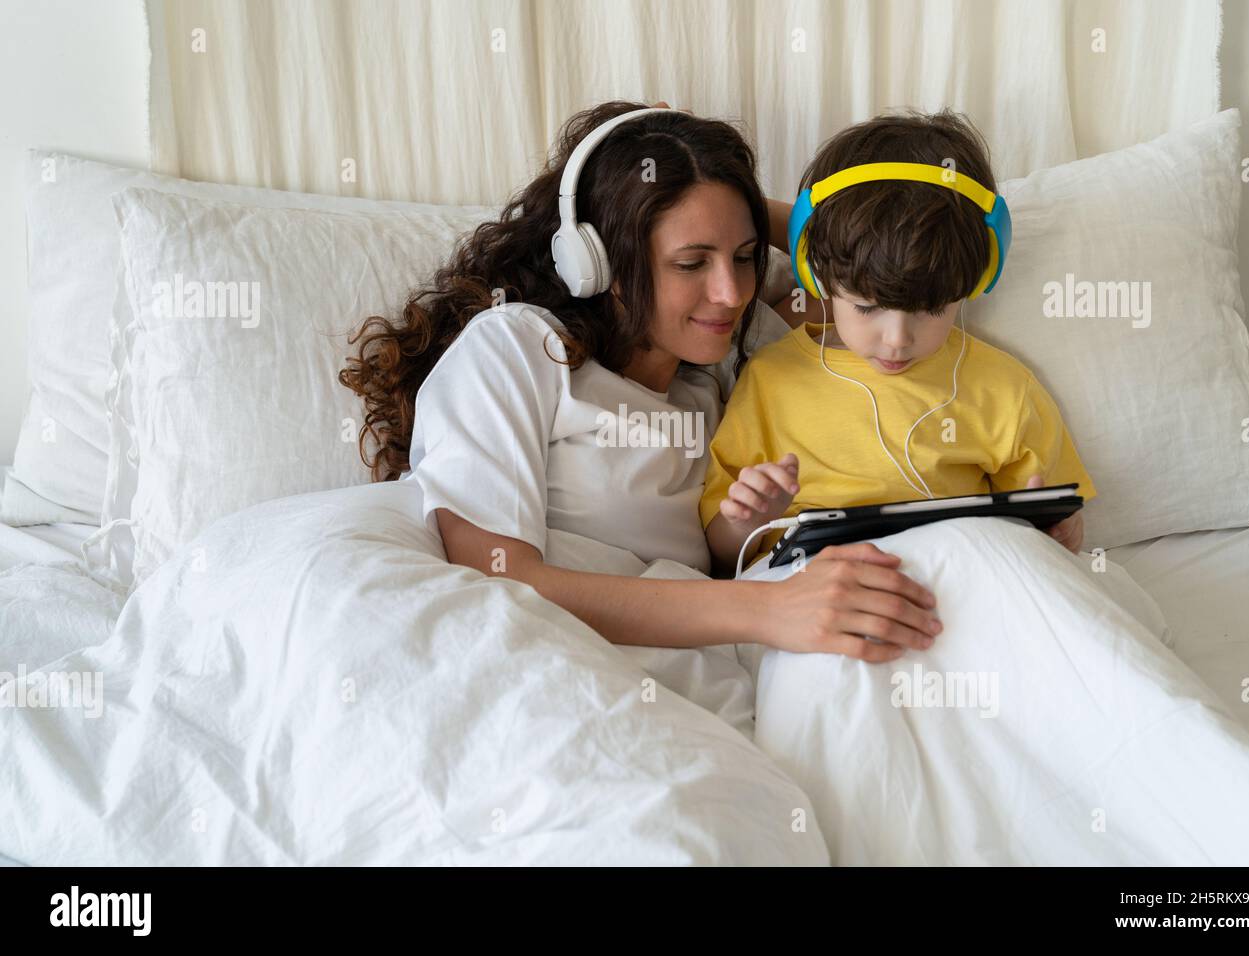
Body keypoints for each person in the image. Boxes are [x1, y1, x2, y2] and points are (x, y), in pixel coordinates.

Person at [338, 101, 941, 663]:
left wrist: (738, 204)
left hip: (709, 679)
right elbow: (499, 578)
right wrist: (767, 608)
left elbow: (881, 294)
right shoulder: (519, 348)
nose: (730, 293)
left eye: (744, 256)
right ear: (596, 259)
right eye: (691, 262)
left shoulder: (725, 365)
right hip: (561, 665)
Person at [702, 109, 1097, 580]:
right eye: (867, 308)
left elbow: (1054, 522)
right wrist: (749, 518)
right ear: (816, 275)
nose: (897, 340)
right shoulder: (769, 381)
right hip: (817, 585)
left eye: (931, 310)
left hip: (961, 574)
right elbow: (725, 555)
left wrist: (1061, 532)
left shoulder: (1004, 388)